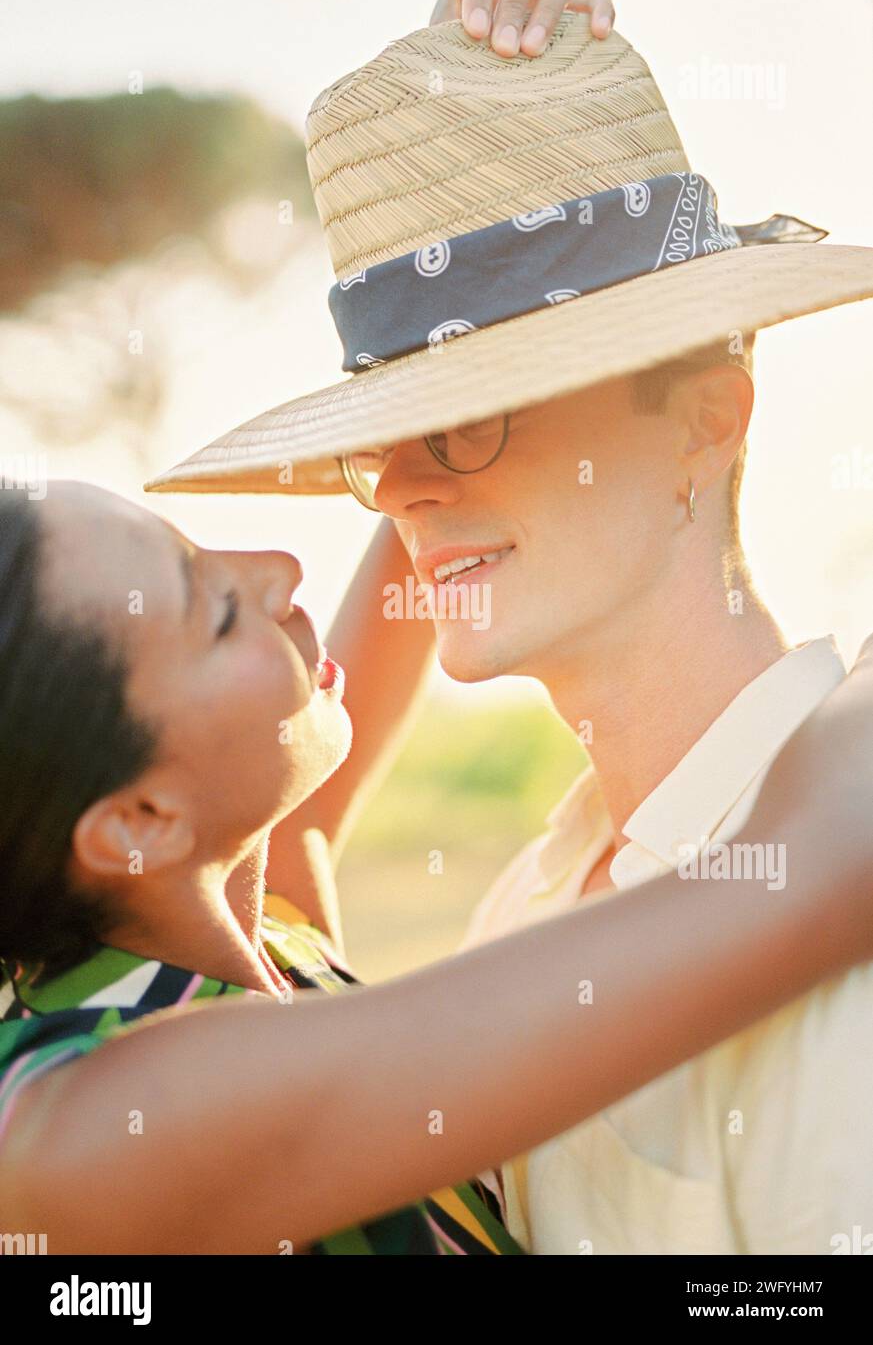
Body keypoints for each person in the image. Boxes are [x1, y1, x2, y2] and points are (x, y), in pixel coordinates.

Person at [146, 0, 873, 1252]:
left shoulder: (841, 943)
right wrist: (451, 144)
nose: (404, 499)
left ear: (708, 418)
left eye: (471, 422)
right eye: (390, 440)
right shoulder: (532, 907)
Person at [1, 478, 873, 1258]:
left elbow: (363, 627)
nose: (279, 569)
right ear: (138, 823)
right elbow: (811, 872)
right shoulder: (85, 1136)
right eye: (219, 608)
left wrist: (441, 442)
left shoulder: (249, 941)